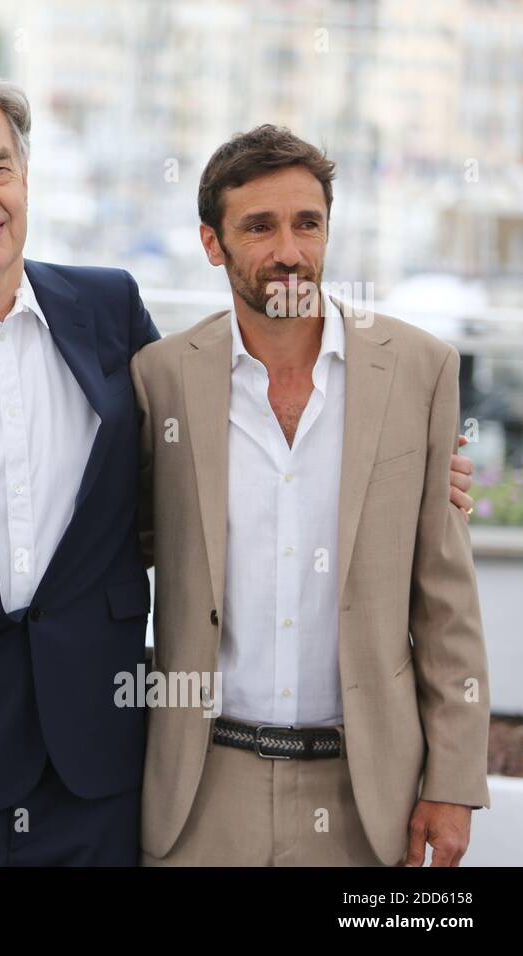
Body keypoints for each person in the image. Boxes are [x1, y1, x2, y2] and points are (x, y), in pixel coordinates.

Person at [0, 61, 479, 868]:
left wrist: (419, 474)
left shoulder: (108, 317)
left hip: (103, 795)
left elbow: (207, 465)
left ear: (27, 177)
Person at [134, 126, 490, 867]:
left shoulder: (421, 371)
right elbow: (117, 546)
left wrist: (453, 780)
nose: (289, 251)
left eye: (307, 223)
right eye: (258, 227)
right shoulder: (160, 379)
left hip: (366, 794)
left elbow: (446, 601)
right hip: (201, 790)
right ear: (212, 243)